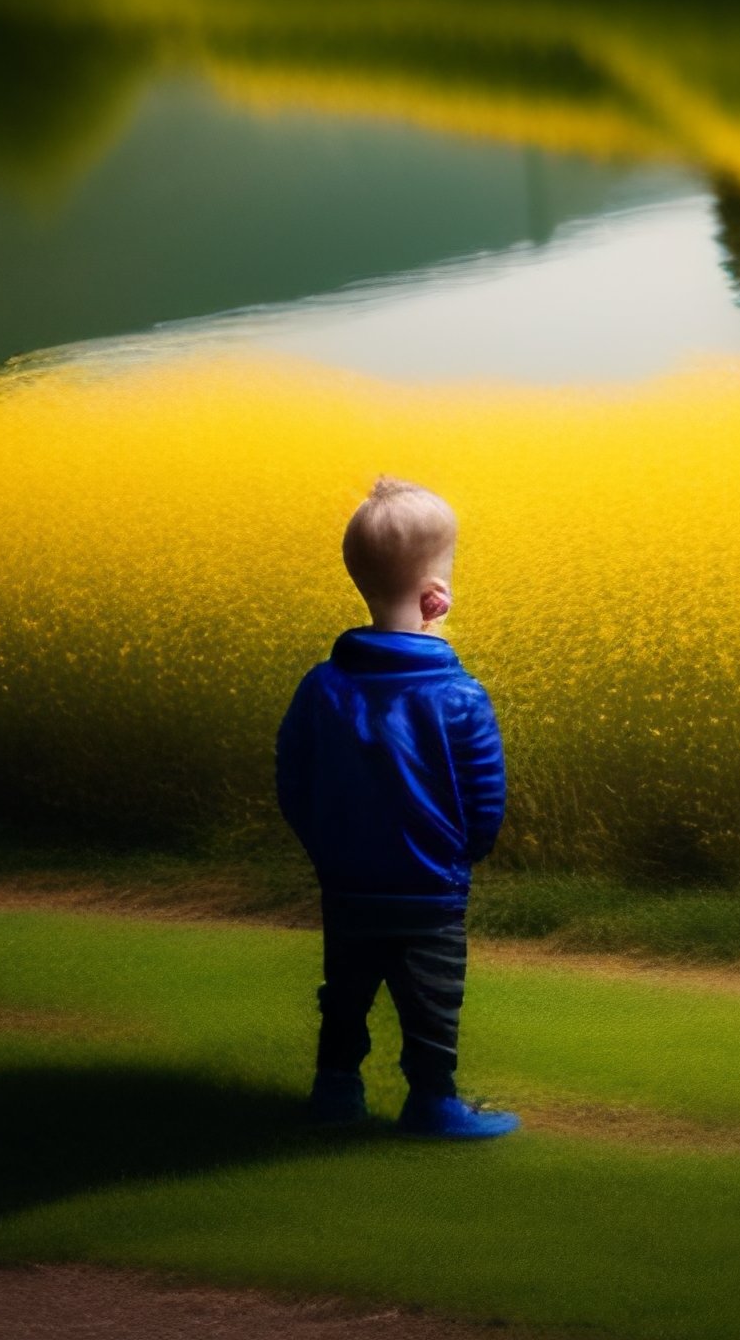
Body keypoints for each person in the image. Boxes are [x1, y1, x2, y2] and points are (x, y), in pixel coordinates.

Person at [276, 474, 519, 1141]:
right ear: (436, 598)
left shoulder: (321, 687)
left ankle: (335, 1092)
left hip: (347, 884)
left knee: (345, 993)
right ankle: (433, 1103)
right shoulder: (460, 696)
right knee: (433, 1001)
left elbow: (292, 779)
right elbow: (484, 797)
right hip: (429, 888)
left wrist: (325, 846)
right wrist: (457, 855)